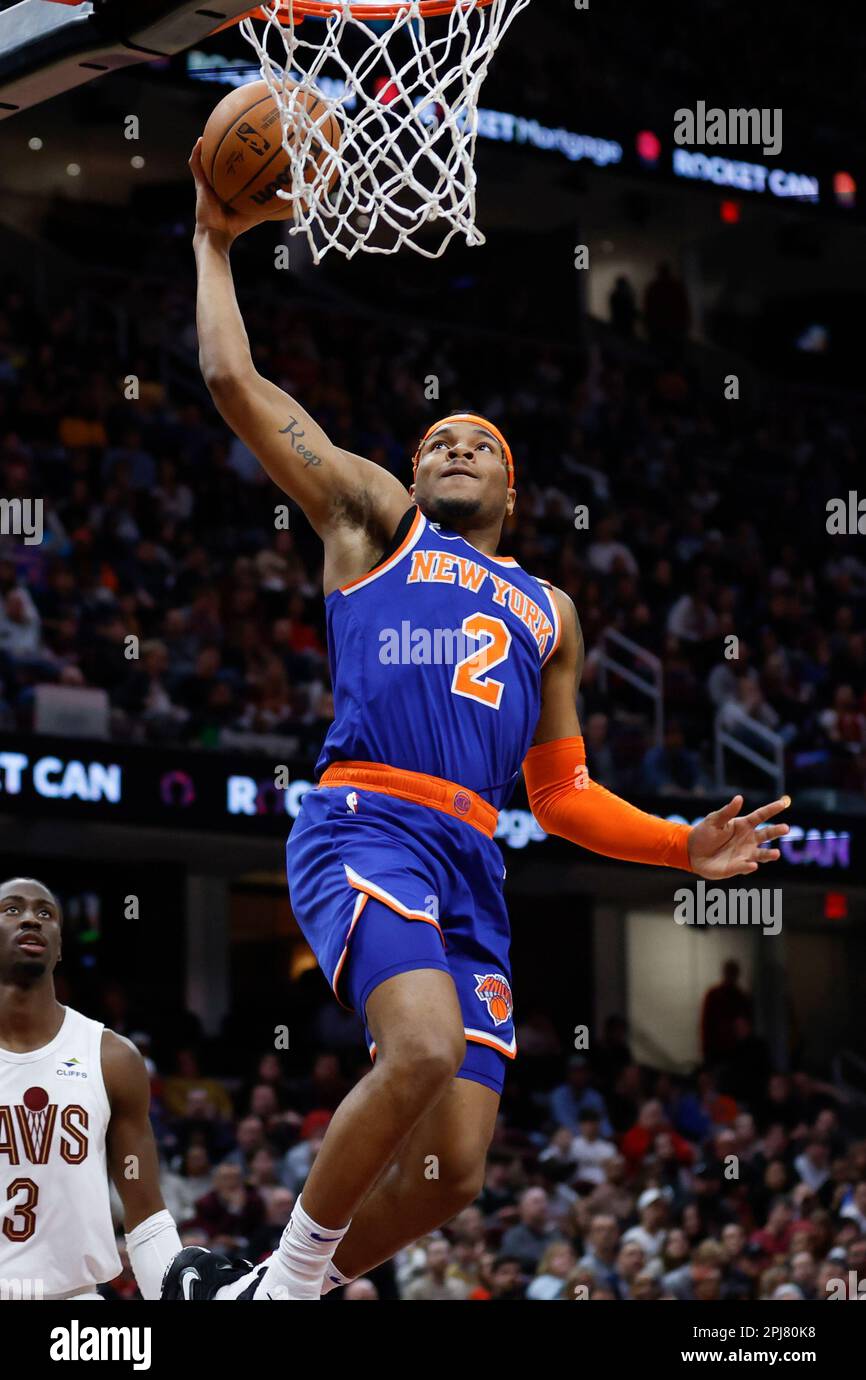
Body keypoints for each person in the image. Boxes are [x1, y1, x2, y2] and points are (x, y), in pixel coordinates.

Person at [163, 145, 793, 1303]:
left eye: (478, 445)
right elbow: (233, 383)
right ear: (409, 470)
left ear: (511, 488)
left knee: (452, 1172)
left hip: (474, 861)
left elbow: (557, 794)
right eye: (436, 440)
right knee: (420, 1049)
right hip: (365, 821)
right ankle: (284, 1289)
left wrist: (675, 844)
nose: (453, 447)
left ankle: (258, 1287)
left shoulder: (550, 608)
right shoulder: (373, 519)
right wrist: (212, 242)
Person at [0, 877, 182, 1300]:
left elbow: (147, 1216)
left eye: (45, 914)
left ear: (59, 947)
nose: (31, 918)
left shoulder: (112, 1058)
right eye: (13, 909)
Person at [701, 960, 752, 1067]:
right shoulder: (716, 995)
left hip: (732, 1049)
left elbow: (706, 1024)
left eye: (732, 973)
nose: (731, 976)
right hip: (720, 1049)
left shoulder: (740, 997)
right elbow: (706, 1024)